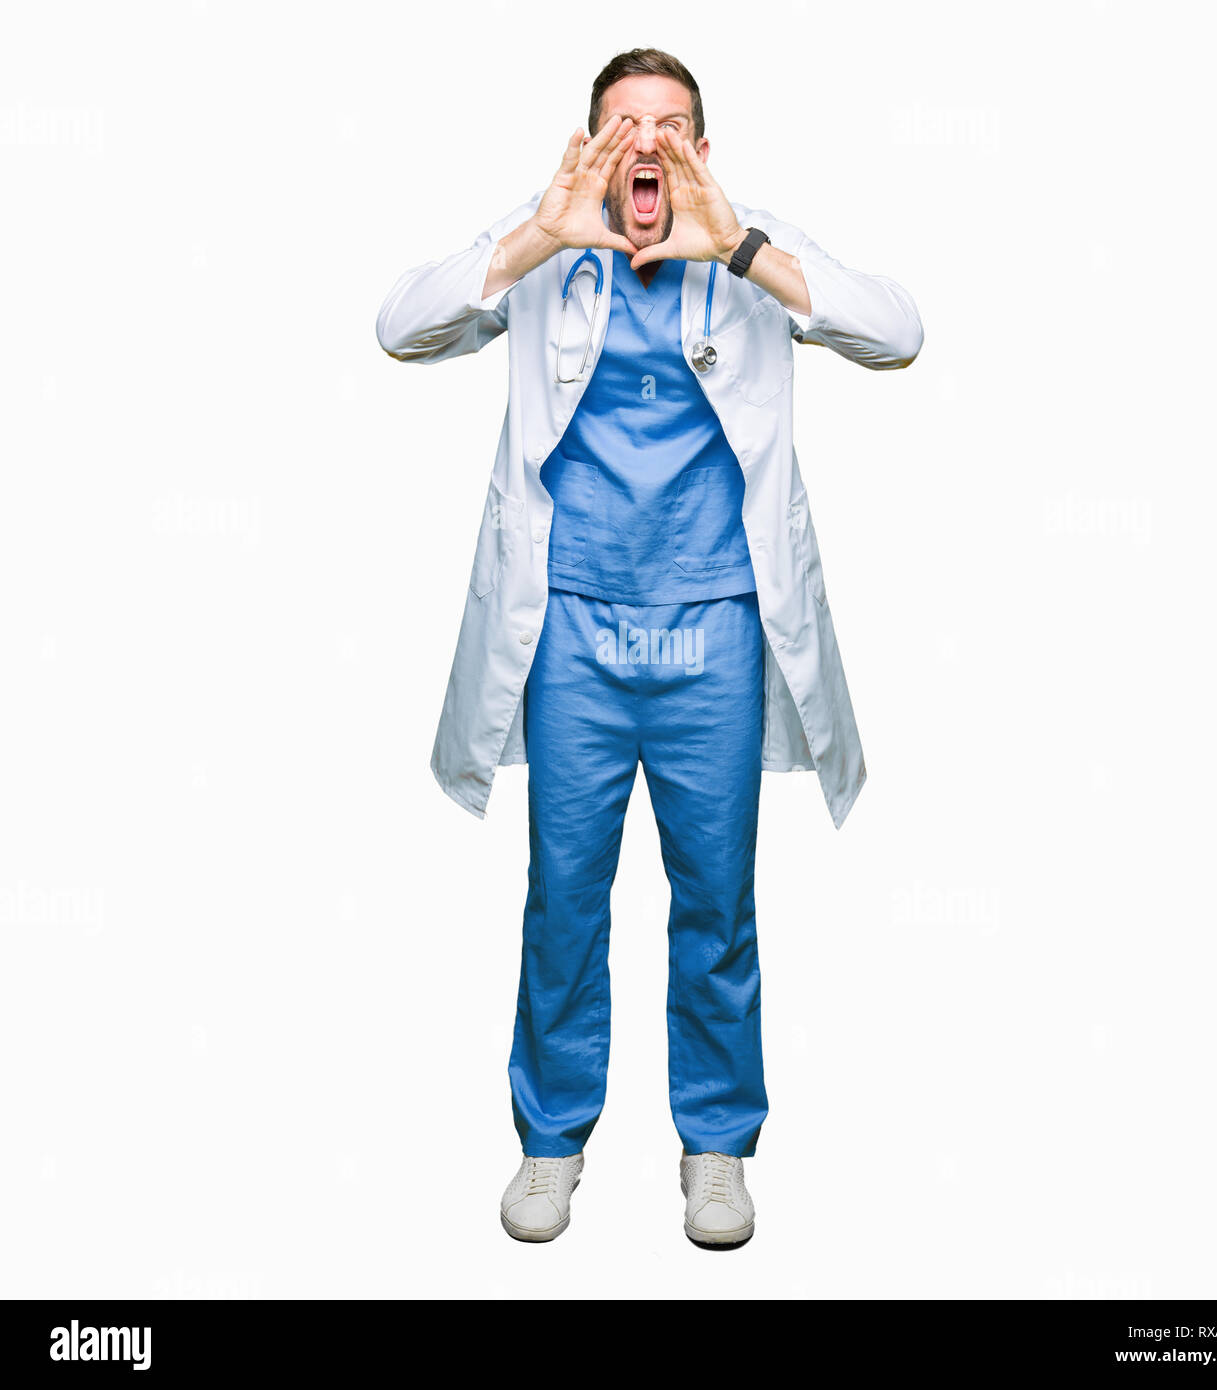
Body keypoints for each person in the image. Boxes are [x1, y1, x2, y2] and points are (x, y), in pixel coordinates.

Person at [375, 47, 922, 1249]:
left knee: (715, 902)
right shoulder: (544, 244)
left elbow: (899, 333)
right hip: (571, 627)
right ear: (588, 146)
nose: (645, 145)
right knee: (563, 897)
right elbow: (398, 327)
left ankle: (716, 1146)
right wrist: (529, 238)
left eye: (669, 126)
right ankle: (551, 1141)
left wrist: (740, 250)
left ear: (700, 152)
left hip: (715, 631)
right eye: (623, 123)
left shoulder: (748, 244)